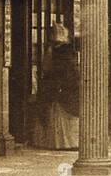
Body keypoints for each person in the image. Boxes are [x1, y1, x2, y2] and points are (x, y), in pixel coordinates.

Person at [31, 21, 79, 149]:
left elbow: (53, 67)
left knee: (59, 112)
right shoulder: (61, 50)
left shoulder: (60, 51)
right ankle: (61, 142)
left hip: (61, 84)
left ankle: (61, 142)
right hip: (58, 83)